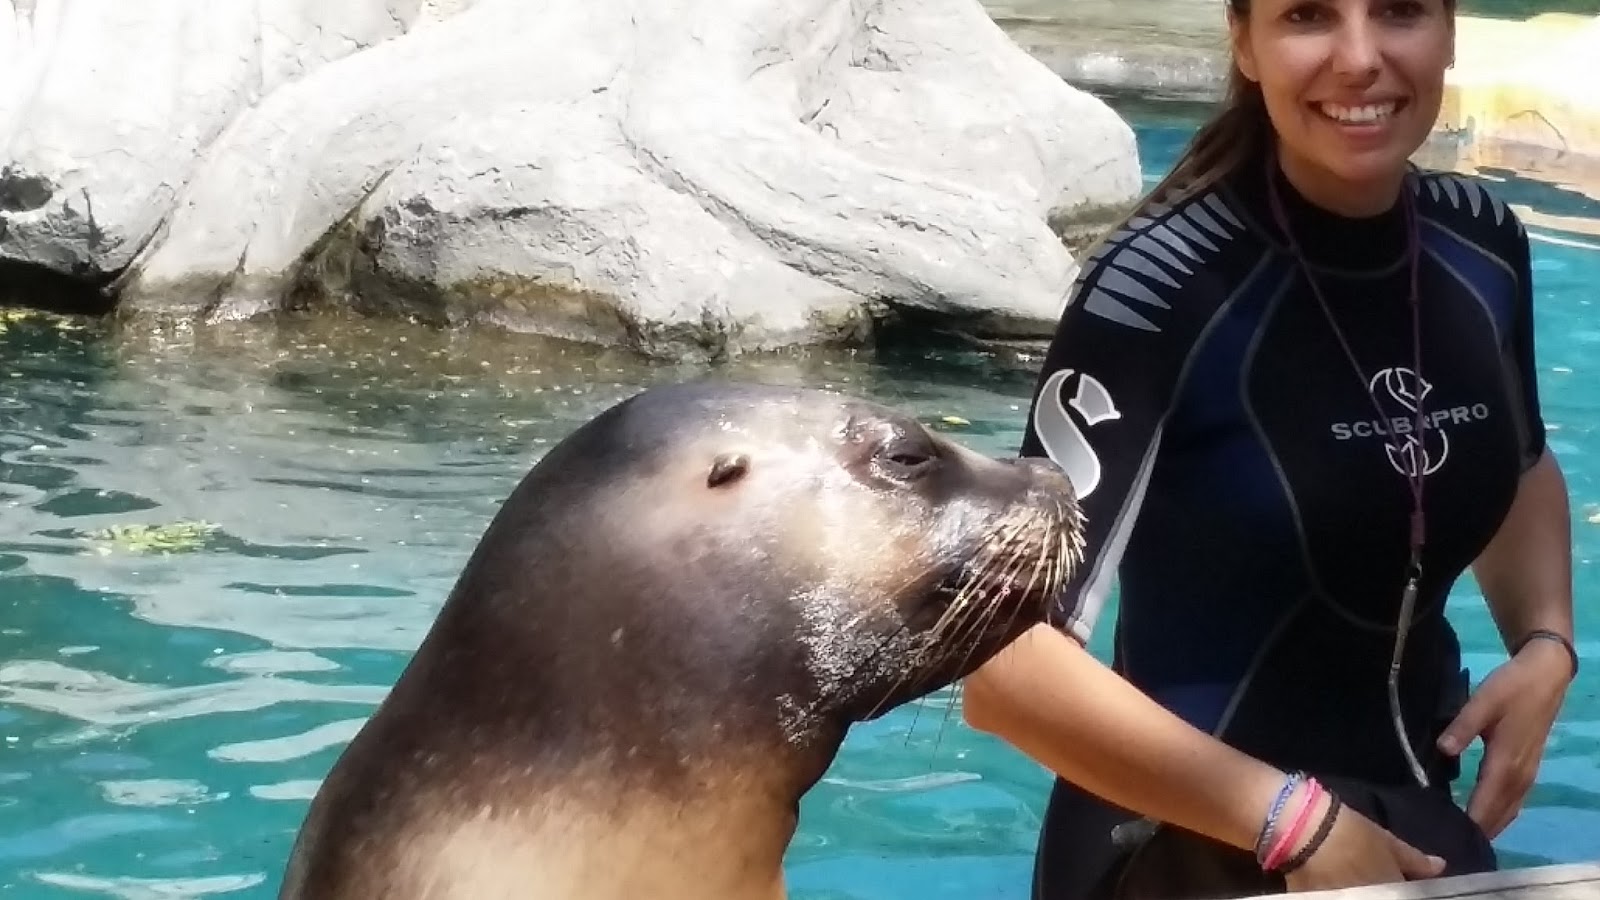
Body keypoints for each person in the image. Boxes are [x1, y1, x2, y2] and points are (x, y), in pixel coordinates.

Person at [961, 0, 1580, 896]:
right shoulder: (1155, 288)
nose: (1360, 59)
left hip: (1416, 835)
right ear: (1245, 43)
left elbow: (1518, 462)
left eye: (1400, 12)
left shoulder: (1480, 242)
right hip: (1177, 849)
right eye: (1308, 17)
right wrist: (1292, 822)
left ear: (1451, 31)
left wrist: (1548, 640)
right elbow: (1004, 665)